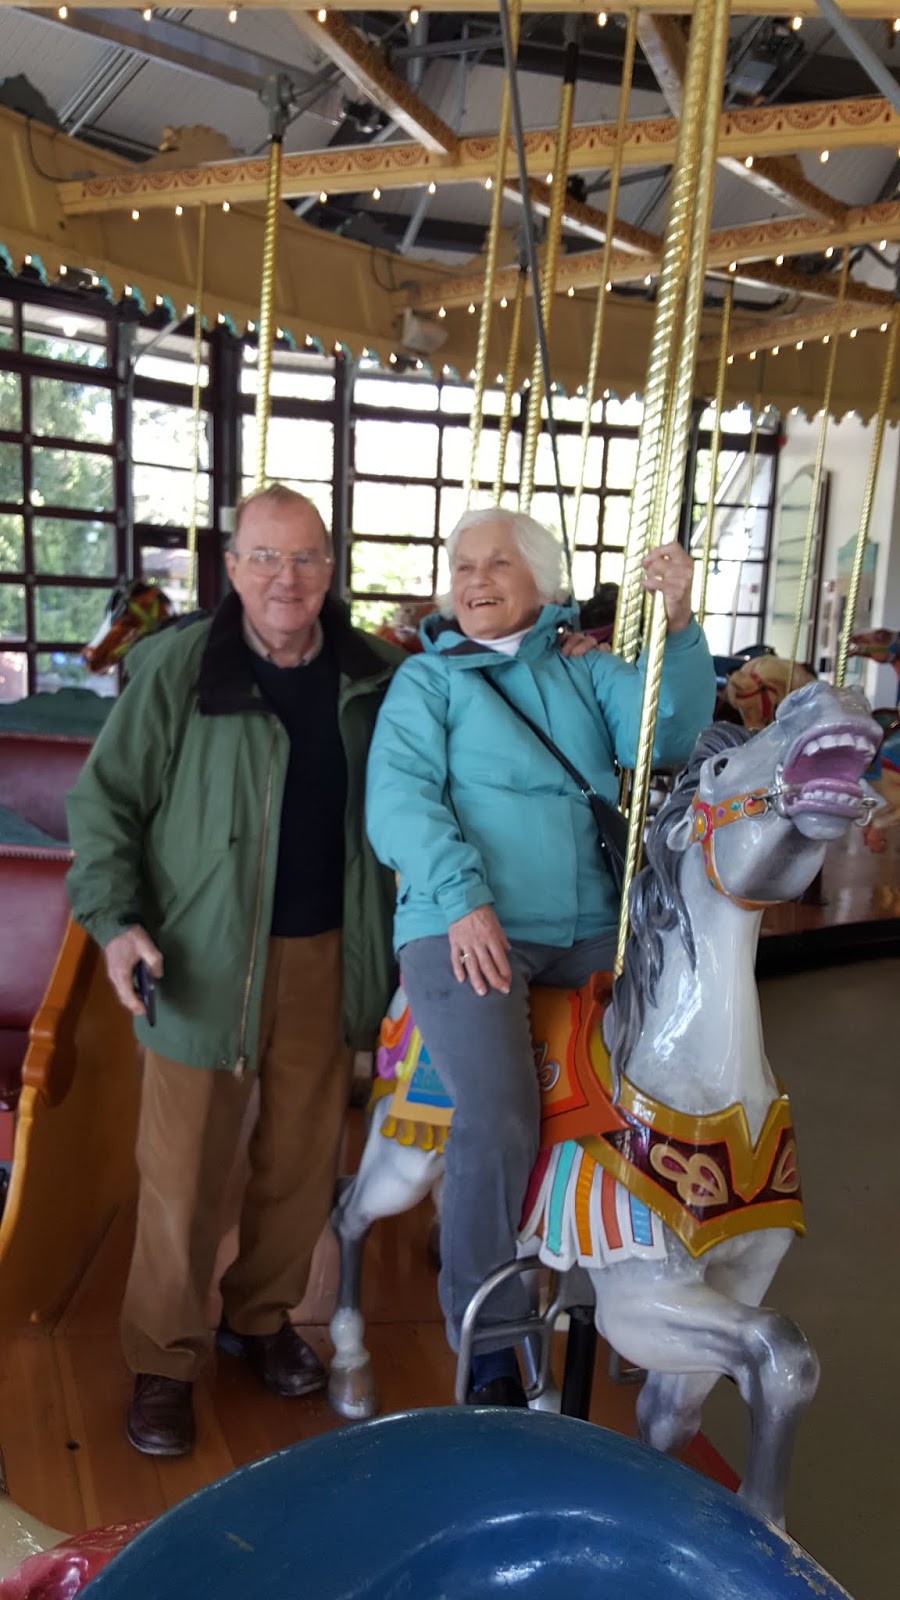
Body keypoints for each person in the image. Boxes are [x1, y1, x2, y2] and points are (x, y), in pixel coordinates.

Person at [66, 484, 399, 1457]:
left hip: (326, 957)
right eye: (264, 558)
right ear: (231, 566)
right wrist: (117, 925)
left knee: (301, 1165)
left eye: (304, 559)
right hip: (198, 960)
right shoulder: (174, 668)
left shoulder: (376, 677)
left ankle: (256, 1321)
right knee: (181, 1177)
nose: (284, 579)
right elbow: (105, 810)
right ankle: (162, 1360)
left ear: (331, 568)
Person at [365, 508, 716, 1406]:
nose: (475, 579)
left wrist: (678, 626)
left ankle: (644, 1280)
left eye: (497, 563)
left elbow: (664, 734)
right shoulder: (428, 682)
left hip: (590, 921)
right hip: (465, 924)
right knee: (503, 1109)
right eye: (462, 564)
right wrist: (463, 897)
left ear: (545, 582)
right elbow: (400, 803)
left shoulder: (583, 667)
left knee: (673, 1071)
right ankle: (490, 1333)